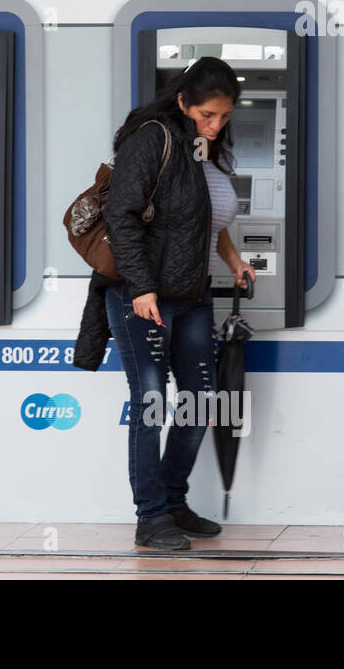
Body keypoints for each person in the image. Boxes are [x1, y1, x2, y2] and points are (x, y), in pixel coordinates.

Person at [102, 55, 256, 550]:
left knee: (198, 402)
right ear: (183, 101)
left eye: (225, 116)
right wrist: (143, 286)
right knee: (151, 403)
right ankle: (150, 517)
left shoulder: (202, 148)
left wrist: (232, 260)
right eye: (207, 115)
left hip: (192, 295)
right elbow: (121, 216)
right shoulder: (152, 137)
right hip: (141, 295)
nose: (216, 125)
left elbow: (208, 220)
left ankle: (173, 502)